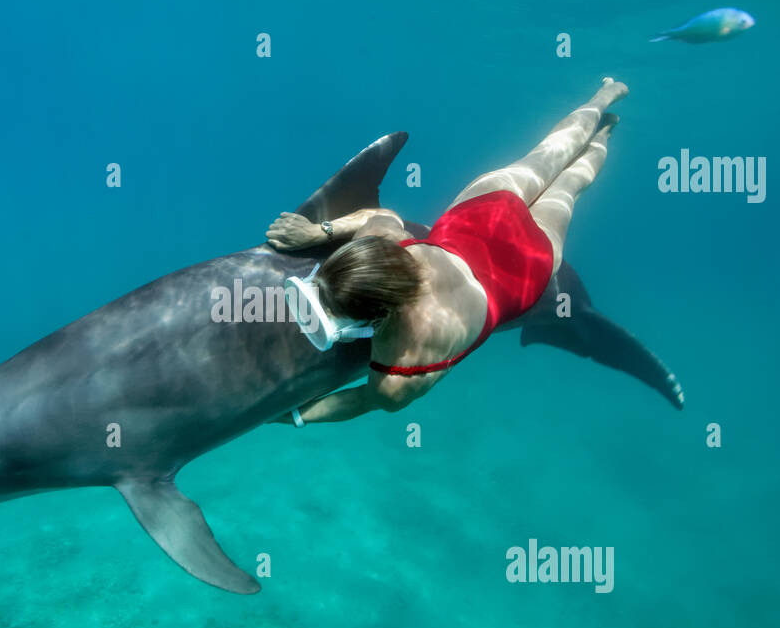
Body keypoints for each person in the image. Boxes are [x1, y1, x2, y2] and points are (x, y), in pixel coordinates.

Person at [267, 78, 628, 424]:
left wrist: (298, 415)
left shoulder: (400, 370)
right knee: (548, 154)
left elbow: (364, 400)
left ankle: (605, 135)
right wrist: (317, 231)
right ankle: (603, 98)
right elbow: (384, 215)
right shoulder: (385, 247)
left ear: (370, 319)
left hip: (523, 272)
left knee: (573, 183)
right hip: (480, 219)